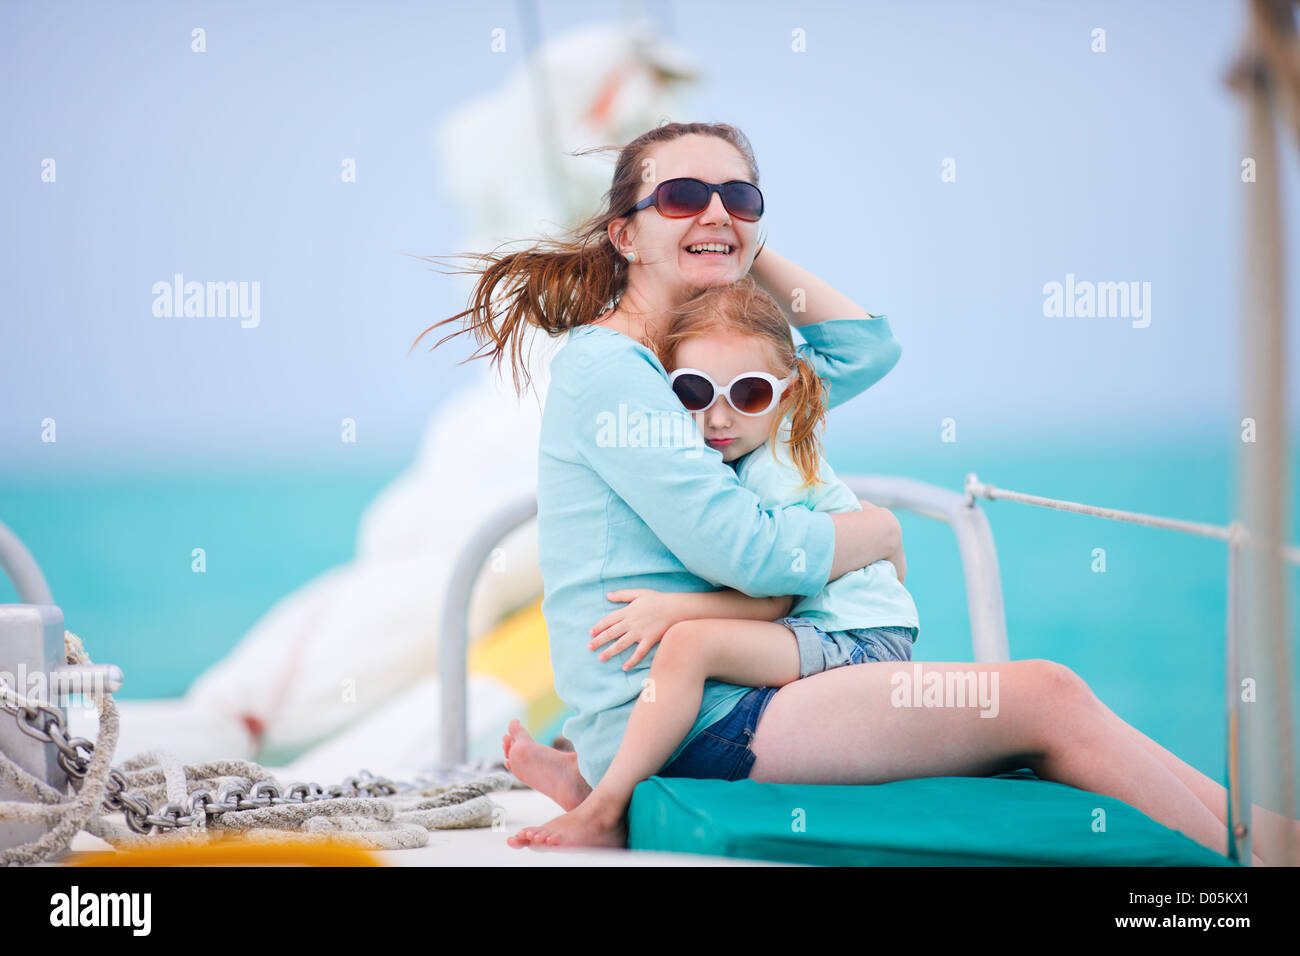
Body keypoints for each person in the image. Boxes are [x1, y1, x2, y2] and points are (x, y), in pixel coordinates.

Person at [414, 121, 1294, 864]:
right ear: (623, 232)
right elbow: (746, 554)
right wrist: (869, 538)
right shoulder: (615, 372)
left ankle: (1265, 841)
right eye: (682, 197)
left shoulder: (713, 372)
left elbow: (864, 347)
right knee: (1044, 698)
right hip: (695, 716)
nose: (716, 210)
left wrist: (735, 251)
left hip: (731, 692)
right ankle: (1258, 859)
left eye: (741, 199)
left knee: (1042, 705)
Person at [507, 276, 922, 846]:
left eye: (748, 393)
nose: (718, 418)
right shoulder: (751, 436)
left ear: (789, 392)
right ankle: (587, 772)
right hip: (827, 625)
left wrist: (675, 610)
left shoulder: (772, 467)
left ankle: (604, 810)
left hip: (855, 636)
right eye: (693, 393)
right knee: (690, 655)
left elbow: (775, 592)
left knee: (689, 647)